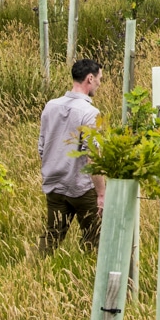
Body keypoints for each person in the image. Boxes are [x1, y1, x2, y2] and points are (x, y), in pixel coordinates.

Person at [39, 58, 107, 252]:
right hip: (82, 187)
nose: (99, 84)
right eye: (99, 79)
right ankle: (88, 269)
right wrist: (101, 194)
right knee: (94, 239)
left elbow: (42, 147)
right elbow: (92, 155)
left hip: (54, 184)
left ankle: (38, 268)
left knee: (51, 239)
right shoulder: (90, 112)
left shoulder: (51, 106)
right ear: (90, 78)